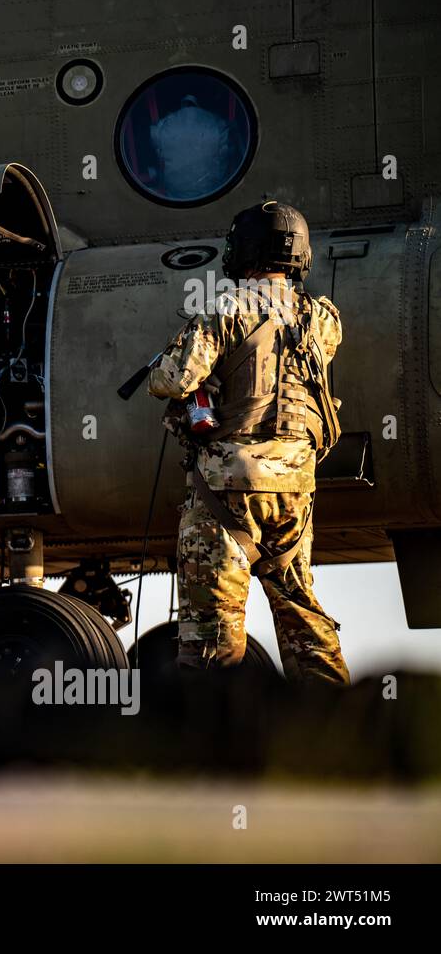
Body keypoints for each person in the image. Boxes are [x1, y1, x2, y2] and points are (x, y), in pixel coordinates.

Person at [148, 201, 349, 684]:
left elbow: (173, 380)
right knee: (303, 616)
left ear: (246, 251)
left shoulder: (226, 308)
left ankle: (215, 742)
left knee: (212, 635)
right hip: (295, 488)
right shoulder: (322, 319)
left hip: (227, 490)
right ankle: (338, 729)